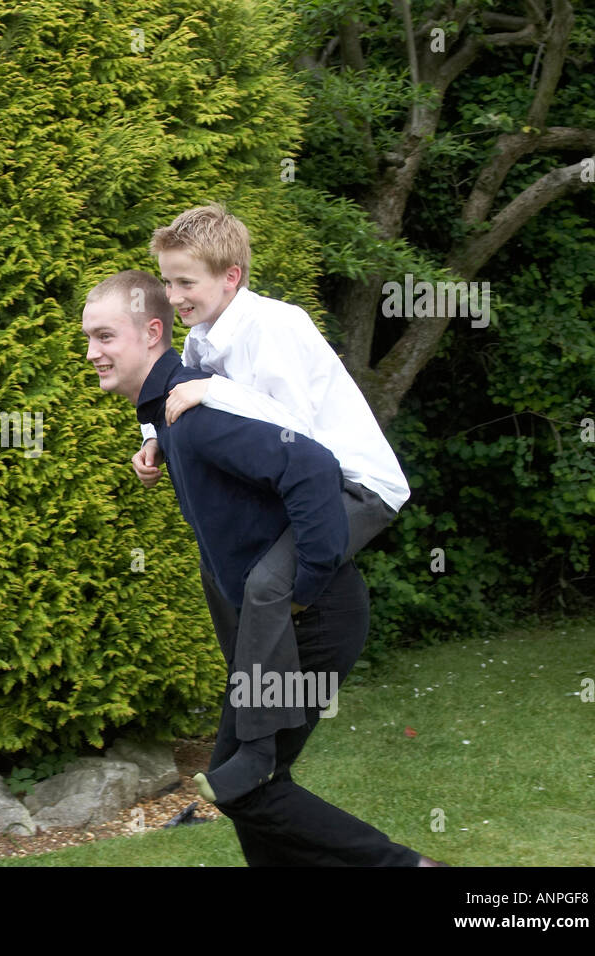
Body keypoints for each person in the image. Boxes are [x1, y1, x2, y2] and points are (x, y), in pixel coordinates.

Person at [84, 270, 437, 865]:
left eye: (104, 337)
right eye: (88, 339)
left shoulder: (200, 412)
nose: (91, 353)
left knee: (245, 782)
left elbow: (311, 469)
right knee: (251, 785)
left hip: (310, 621)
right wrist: (154, 442)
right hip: (286, 626)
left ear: (151, 333)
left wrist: (303, 586)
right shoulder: (177, 410)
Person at [133, 204, 409, 800]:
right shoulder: (205, 337)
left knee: (267, 586)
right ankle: (243, 721)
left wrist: (215, 388)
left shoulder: (276, 326)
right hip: (305, 487)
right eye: (168, 282)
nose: (175, 296)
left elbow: (297, 434)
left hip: (355, 485)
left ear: (230, 276)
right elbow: (180, 400)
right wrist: (154, 438)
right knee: (226, 578)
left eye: (187, 282)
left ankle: (259, 752)